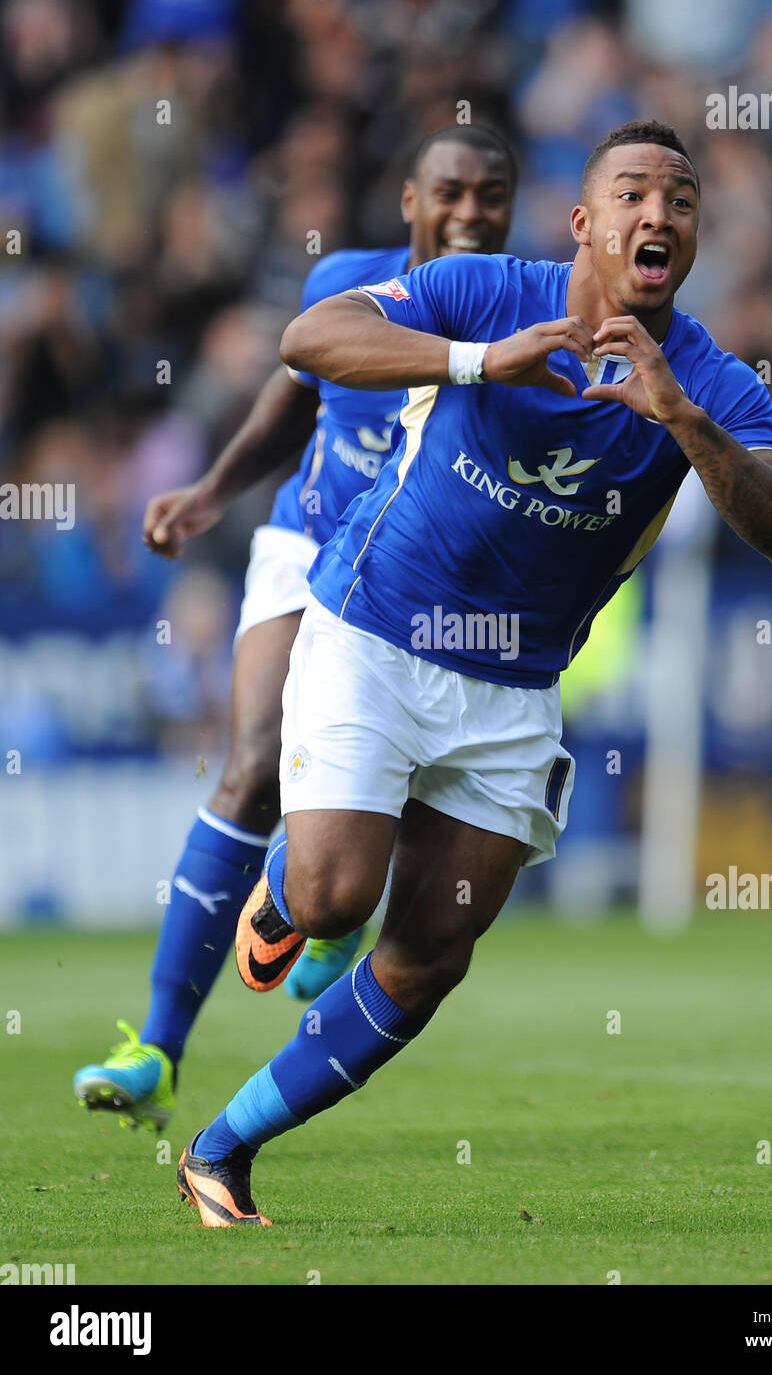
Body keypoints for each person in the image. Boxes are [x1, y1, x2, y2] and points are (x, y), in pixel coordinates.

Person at [175, 119, 772, 1225]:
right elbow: (308, 336)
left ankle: (223, 1147)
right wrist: (482, 361)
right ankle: (290, 892)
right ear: (584, 221)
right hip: (372, 631)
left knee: (429, 955)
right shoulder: (483, 290)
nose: (657, 215)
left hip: (512, 693)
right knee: (340, 893)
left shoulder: (707, 377)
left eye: (680, 200)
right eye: (632, 194)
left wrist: (683, 421)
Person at [72, 125, 517, 1131]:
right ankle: (155, 1047)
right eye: (449, 190)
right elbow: (291, 393)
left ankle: (319, 907)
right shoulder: (353, 283)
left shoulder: (516, 316)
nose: (469, 212)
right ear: (408, 198)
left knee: (377, 809)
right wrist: (210, 490)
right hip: (309, 545)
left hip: (419, 586)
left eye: (491, 195)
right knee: (257, 759)